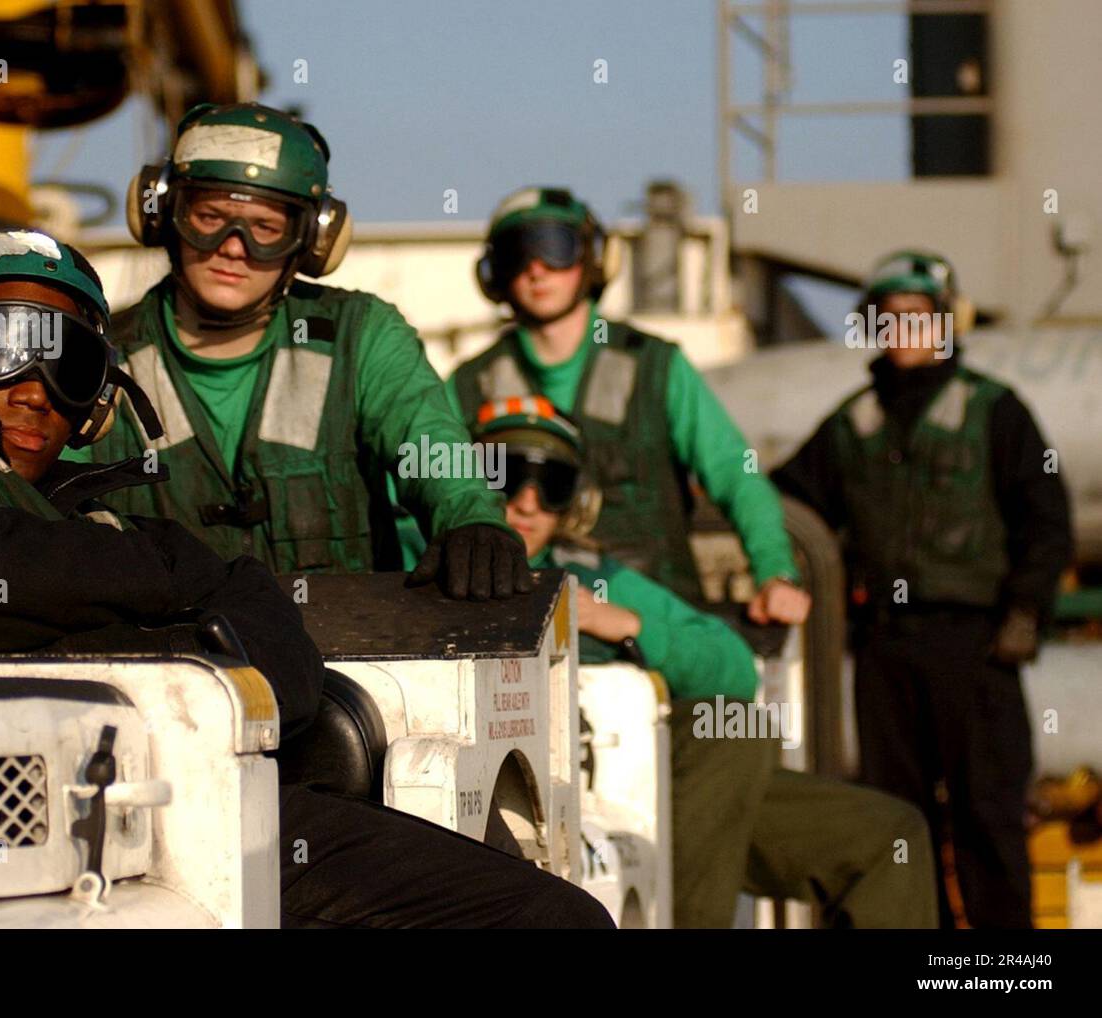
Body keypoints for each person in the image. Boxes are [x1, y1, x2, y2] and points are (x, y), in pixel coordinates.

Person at [0, 229, 613, 929]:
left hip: (193, 820)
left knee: (550, 916)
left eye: (71, 363)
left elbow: (286, 672)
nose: (32, 387)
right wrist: (168, 609)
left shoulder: (105, 525)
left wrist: (139, 603)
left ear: (97, 404)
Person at [475, 395, 939, 928]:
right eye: (506, 476)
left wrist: (624, 624)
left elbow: (733, 669)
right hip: (512, 794)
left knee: (891, 835)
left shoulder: (589, 576)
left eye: (551, 484)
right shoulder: (420, 552)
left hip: (642, 785)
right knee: (731, 739)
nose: (529, 503)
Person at [65, 102, 528, 601]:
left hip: (349, 663)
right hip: (168, 667)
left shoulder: (362, 335)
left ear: (313, 240)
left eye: (265, 228)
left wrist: (471, 517)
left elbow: (427, 443)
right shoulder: (99, 351)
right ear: (162, 214)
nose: (234, 247)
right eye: (210, 217)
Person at [773, 250, 1073, 928]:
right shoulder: (853, 425)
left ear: (946, 324)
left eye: (919, 317)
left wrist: (1025, 610)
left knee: (987, 817)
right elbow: (787, 501)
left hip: (977, 649)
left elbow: (1044, 520)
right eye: (889, 317)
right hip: (886, 650)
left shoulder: (995, 413)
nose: (904, 330)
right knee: (896, 820)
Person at [450, 186, 809, 624]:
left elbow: (735, 471)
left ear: (594, 260)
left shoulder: (655, 368)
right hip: (522, 627)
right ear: (493, 274)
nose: (537, 269)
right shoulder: (470, 385)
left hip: (660, 623)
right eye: (516, 254)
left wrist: (775, 572)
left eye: (555, 248)